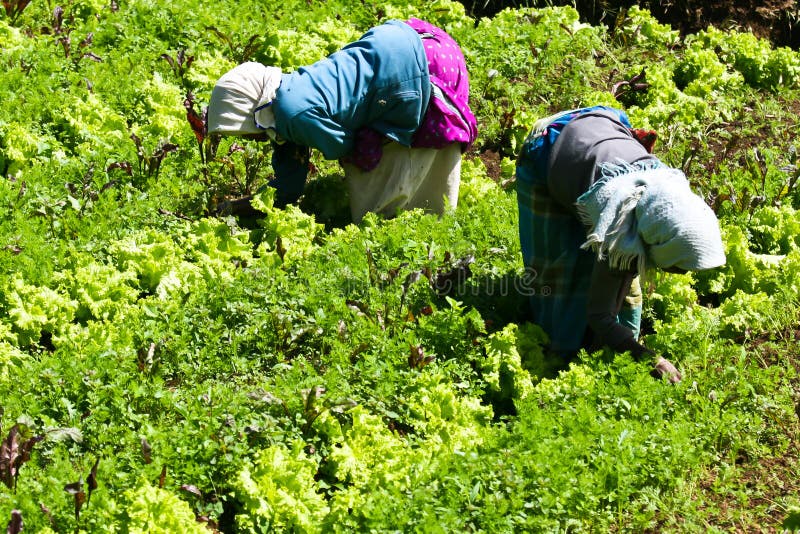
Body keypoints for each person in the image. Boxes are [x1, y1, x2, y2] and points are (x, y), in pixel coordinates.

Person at [515, 106, 726, 383]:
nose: (684, 273)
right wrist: (652, 358)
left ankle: (610, 348)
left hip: (600, 134)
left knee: (619, 279)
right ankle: (559, 354)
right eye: (681, 264)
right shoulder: (621, 229)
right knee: (558, 270)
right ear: (662, 245)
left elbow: (623, 279)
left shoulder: (663, 203)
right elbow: (600, 314)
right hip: (548, 149)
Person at [206, 18, 477, 223]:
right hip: (400, 40)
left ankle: (421, 218)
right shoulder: (284, 102)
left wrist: (363, 146)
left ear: (249, 111)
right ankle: (424, 214)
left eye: (240, 130)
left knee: (380, 164)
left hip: (420, 63)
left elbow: (339, 146)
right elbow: (289, 183)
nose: (246, 138)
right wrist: (242, 205)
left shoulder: (292, 113)